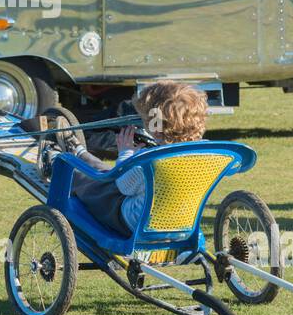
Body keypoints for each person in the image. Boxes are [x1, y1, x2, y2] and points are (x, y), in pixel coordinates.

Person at [67, 82, 208, 237]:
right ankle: (80, 151)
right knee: (107, 176)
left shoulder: (153, 159)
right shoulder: (209, 154)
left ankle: (67, 162)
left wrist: (126, 154)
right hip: (185, 223)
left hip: (137, 222)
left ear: (156, 125)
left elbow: (123, 186)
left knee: (100, 187)